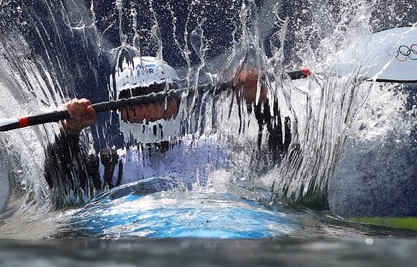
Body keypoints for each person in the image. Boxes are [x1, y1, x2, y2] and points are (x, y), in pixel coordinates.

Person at [43, 54, 291, 202]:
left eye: (160, 97)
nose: (153, 109)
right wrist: (69, 134)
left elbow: (280, 156)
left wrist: (260, 103)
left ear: (176, 102)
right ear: (124, 111)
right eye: (139, 98)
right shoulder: (110, 166)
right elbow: (59, 183)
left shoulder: (215, 148)